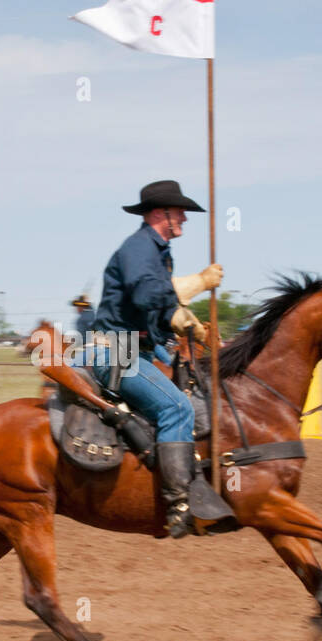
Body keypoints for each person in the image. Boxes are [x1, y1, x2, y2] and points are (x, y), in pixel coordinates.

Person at [90, 180, 225, 539]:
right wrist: (200, 282)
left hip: (142, 348)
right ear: (159, 214)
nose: (184, 218)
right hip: (115, 351)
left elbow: (160, 308)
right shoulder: (138, 249)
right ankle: (179, 502)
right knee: (177, 408)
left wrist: (192, 327)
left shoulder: (159, 252)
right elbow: (149, 294)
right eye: (179, 211)